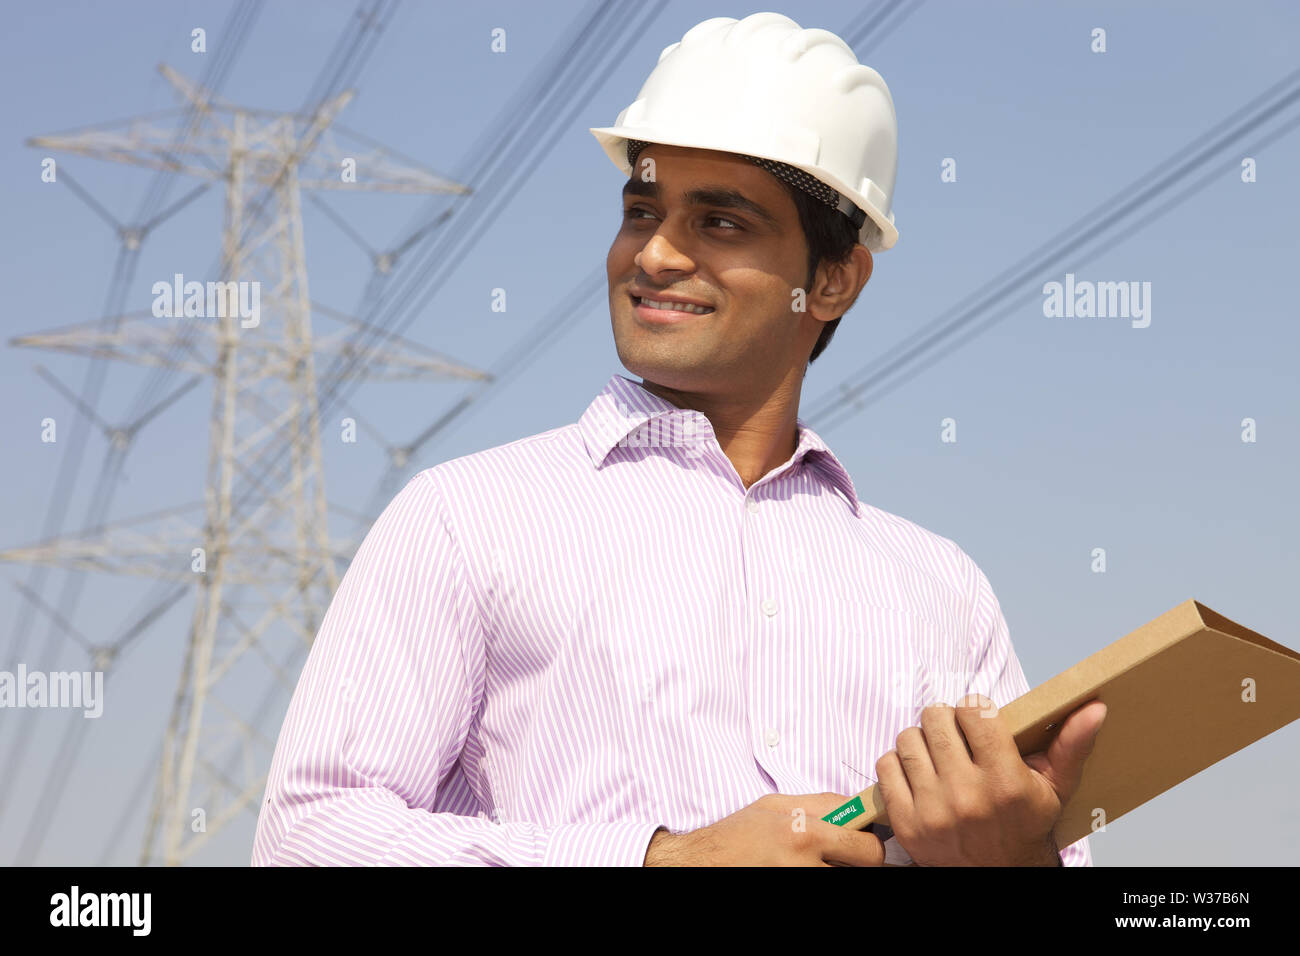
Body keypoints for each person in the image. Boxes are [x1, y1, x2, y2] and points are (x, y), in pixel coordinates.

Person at [252, 12, 1104, 867]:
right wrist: (664, 860)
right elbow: (307, 841)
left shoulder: (939, 588)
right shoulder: (466, 520)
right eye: (641, 211)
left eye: (721, 223)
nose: (655, 254)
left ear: (836, 279)